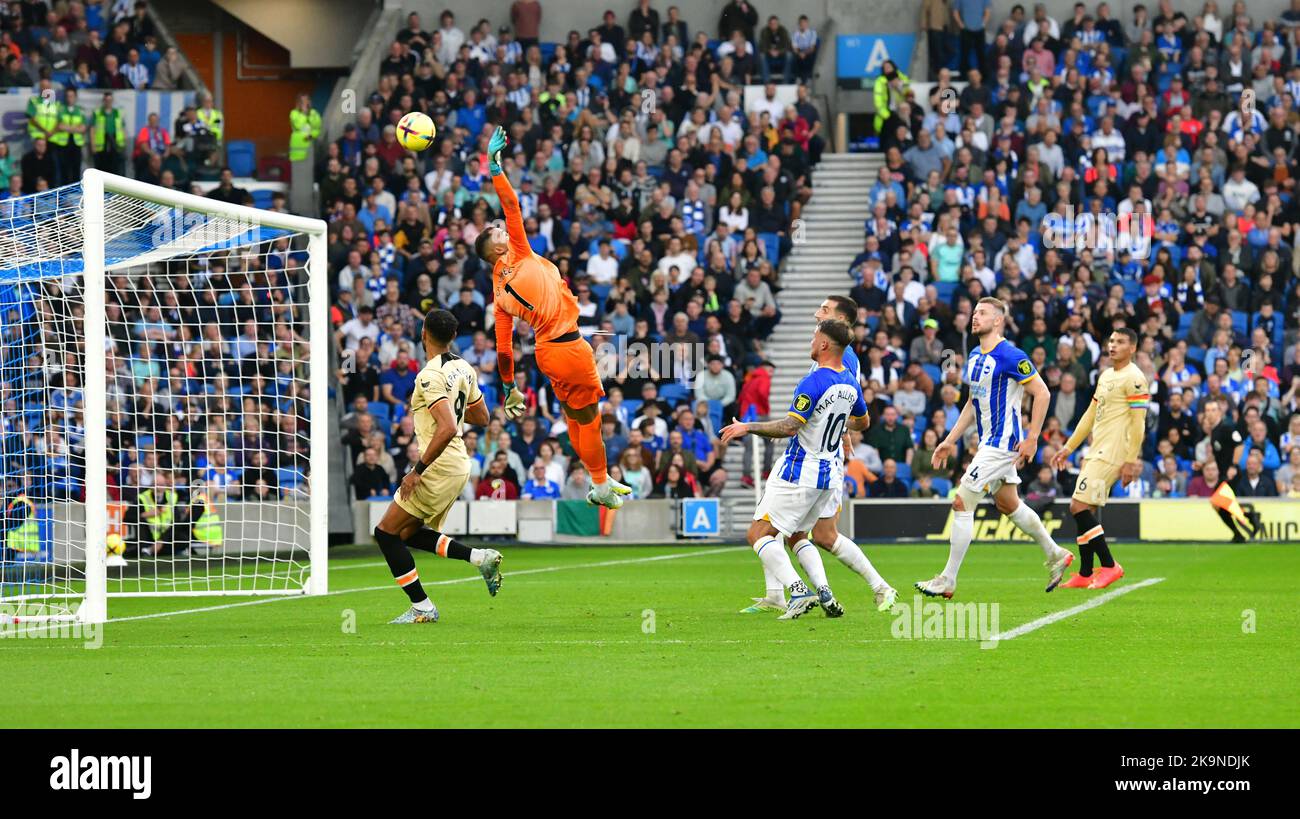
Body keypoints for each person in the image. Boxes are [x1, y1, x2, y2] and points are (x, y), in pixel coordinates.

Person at [474, 126, 631, 509]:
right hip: (567, 346)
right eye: (496, 232)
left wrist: (509, 387)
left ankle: (600, 476)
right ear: (496, 248)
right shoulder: (519, 253)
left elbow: (504, 348)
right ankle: (600, 484)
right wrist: (495, 168)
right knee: (590, 418)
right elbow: (512, 205)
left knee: (576, 419)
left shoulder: (498, 297)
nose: (501, 229)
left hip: (547, 353)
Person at [741, 295, 897, 616]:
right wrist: (841, 427)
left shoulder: (844, 361)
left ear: (840, 322)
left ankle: (811, 591)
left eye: (824, 310)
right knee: (797, 531)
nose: (817, 313)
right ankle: (801, 594)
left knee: (795, 532)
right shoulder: (834, 358)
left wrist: (841, 429)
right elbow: (852, 410)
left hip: (812, 460)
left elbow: (843, 407)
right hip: (820, 460)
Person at [917, 297, 1074, 599]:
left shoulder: (1011, 355)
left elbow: (1041, 393)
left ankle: (948, 579)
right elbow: (970, 405)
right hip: (989, 443)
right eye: (974, 312)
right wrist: (949, 440)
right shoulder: (975, 356)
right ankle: (1055, 553)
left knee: (962, 502)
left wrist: (1033, 437)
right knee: (1007, 504)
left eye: (983, 313)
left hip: (1002, 444)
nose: (975, 317)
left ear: (999, 320)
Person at [372, 310, 502, 625]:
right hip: (459, 463)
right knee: (408, 532)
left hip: (440, 463)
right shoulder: (464, 368)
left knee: (386, 534)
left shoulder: (430, 375)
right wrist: (452, 411)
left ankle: (422, 607)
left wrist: (417, 470)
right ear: (453, 336)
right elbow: (482, 417)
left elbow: (445, 428)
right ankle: (480, 558)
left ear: (423, 333)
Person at [1049, 329, 1147, 589]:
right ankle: (1084, 573)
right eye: (1112, 340)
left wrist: (1130, 460)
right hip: (1097, 450)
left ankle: (1109, 565)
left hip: (1114, 452)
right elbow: (1090, 415)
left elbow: (1139, 423)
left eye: (1121, 342)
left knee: (1077, 506)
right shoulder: (1106, 375)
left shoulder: (1135, 378)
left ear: (1133, 348)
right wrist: (1069, 447)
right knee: (1087, 508)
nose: (1113, 345)